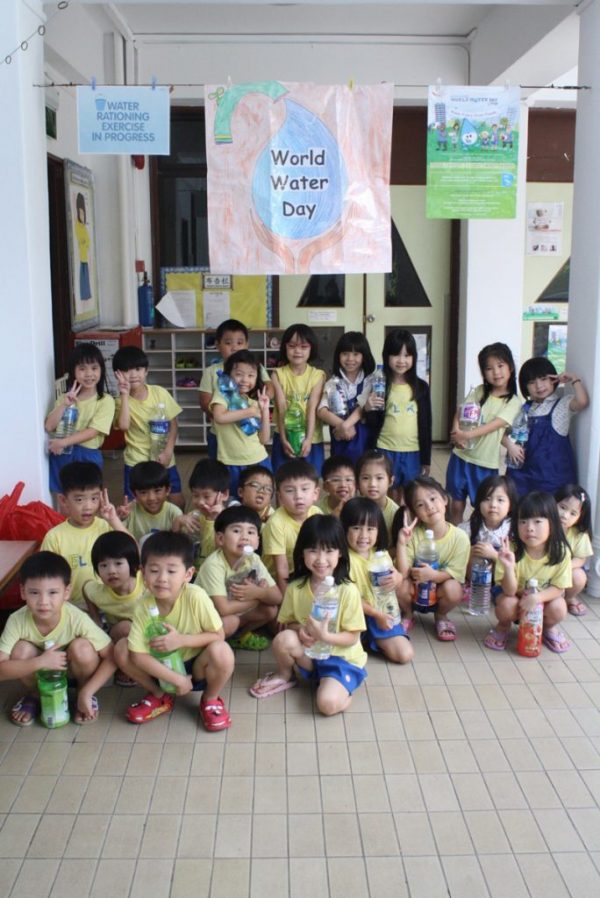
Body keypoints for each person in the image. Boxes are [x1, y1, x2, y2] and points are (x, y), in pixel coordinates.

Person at [115, 532, 234, 730]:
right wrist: (176, 679)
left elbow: (218, 635)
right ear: (143, 573)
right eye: (154, 570)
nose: (162, 578)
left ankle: (210, 699)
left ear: (188, 574)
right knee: (121, 648)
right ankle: (160, 695)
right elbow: (137, 654)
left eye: (171, 571)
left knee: (222, 650)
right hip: (161, 668)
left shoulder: (196, 596)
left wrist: (181, 640)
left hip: (196, 666)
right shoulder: (144, 605)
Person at [249, 515, 367, 715]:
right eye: (313, 550)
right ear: (301, 552)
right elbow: (287, 624)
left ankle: (343, 691)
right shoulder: (296, 587)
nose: (321, 560)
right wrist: (300, 630)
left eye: (329, 551)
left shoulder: (347, 591)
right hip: (312, 655)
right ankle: (285, 675)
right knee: (282, 639)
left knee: (326, 705)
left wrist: (326, 637)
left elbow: (353, 636)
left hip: (341, 659)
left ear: (340, 553)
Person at [0, 551, 116, 726]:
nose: (43, 602)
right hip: (42, 673)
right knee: (21, 650)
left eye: (53, 592)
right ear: (23, 592)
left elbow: (112, 655)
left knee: (82, 647)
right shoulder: (17, 620)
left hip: (74, 670)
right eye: (34, 593)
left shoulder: (76, 618)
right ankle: (36, 695)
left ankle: (83, 694)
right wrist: (41, 662)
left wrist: (88, 691)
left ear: (66, 592)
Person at [484, 491, 572, 653]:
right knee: (506, 604)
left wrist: (537, 598)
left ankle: (547, 628)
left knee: (559, 607)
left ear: (552, 523)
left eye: (537, 521)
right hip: (515, 597)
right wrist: (509, 567)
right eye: (523, 522)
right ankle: (503, 626)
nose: (529, 528)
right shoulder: (511, 549)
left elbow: (560, 588)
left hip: (542, 599)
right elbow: (508, 590)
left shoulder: (561, 551)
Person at [447, 342, 521, 523]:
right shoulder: (480, 392)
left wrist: (467, 435)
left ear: (510, 367)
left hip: (485, 463)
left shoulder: (513, 402)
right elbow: (460, 411)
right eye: (489, 368)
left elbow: (496, 426)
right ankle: (455, 540)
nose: (496, 372)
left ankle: (475, 540)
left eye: (500, 366)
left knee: (483, 506)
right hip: (460, 457)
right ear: (483, 373)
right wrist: (456, 430)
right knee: (454, 504)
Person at [40, 462, 128, 609]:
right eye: (79, 499)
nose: (88, 506)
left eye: (94, 498)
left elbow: (134, 552)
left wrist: (114, 520)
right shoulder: (55, 537)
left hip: (108, 605)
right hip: (73, 608)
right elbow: (45, 578)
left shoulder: (106, 526)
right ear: (63, 500)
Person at [196, 506, 282, 650]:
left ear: (257, 542)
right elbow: (223, 609)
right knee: (231, 621)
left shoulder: (253, 559)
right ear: (220, 539)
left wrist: (260, 593)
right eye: (236, 531)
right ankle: (205, 645)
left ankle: (237, 637)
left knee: (270, 610)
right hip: (206, 618)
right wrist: (257, 597)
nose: (245, 537)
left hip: (234, 610)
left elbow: (277, 597)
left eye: (251, 532)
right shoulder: (214, 564)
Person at [396, 476, 470, 641]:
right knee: (399, 584)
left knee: (454, 589)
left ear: (444, 499)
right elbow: (402, 572)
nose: (429, 507)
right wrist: (401, 543)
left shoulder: (460, 537)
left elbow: (455, 573)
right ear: (415, 513)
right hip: (415, 590)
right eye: (420, 505)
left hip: (440, 591)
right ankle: (407, 614)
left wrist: (433, 576)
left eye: (432, 498)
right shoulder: (413, 535)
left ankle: (441, 616)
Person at [340, 497, 413, 664]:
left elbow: (402, 574)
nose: (364, 535)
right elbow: (350, 599)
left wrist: (398, 575)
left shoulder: (379, 554)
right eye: (356, 528)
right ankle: (364, 639)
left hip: (380, 612)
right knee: (346, 656)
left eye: (370, 528)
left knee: (405, 654)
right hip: (352, 616)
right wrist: (377, 614)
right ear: (344, 528)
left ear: (379, 530)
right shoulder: (341, 559)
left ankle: (369, 639)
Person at [362, 329, 432, 502]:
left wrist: (426, 459)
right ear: (386, 356)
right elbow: (372, 423)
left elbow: (426, 424)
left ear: (414, 358)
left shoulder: (421, 387)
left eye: (407, 355)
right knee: (388, 493)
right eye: (396, 355)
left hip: (412, 451)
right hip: (385, 449)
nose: (402, 361)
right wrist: (368, 408)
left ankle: (405, 525)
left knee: (410, 495)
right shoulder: (379, 384)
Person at [112, 346, 184, 508]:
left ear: (146, 371)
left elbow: (173, 423)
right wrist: (124, 395)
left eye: (138, 369)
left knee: (177, 499)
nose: (133, 375)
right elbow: (123, 425)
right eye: (126, 370)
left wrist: (168, 451)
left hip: (163, 457)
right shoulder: (118, 402)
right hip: (136, 460)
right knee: (131, 504)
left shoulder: (159, 393)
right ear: (117, 374)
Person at [507, 358, 589, 497]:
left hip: (554, 479)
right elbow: (512, 436)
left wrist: (573, 378)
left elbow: (582, 402)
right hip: (524, 478)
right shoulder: (524, 409)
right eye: (532, 382)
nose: (539, 386)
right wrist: (509, 445)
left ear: (553, 379)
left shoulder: (562, 405)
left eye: (544, 379)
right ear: (525, 387)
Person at [45, 342, 115, 495]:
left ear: (101, 370)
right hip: (62, 454)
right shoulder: (64, 398)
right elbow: (49, 426)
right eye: (82, 369)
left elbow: (92, 432)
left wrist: (63, 442)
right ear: (74, 372)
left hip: (87, 455)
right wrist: (64, 404)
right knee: (63, 498)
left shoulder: (105, 401)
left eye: (94, 368)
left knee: (87, 500)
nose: (89, 374)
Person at [198, 318, 272, 461]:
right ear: (217, 345)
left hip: (250, 430)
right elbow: (205, 402)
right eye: (228, 343)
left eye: (240, 342)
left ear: (247, 344)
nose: (234, 347)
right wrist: (232, 414)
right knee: (220, 472)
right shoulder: (211, 371)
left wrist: (257, 405)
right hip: (221, 432)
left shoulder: (256, 367)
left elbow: (269, 389)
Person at [83, 531, 145, 686]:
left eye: (118, 563)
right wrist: (96, 620)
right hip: (119, 637)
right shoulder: (99, 593)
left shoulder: (145, 583)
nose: (111, 570)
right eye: (103, 565)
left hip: (150, 634)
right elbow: (86, 588)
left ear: (132, 564)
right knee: (125, 628)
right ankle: (124, 667)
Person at [210, 349, 272, 494]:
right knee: (234, 502)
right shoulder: (222, 396)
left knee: (259, 502)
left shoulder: (253, 403)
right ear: (228, 375)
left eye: (251, 375)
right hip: (231, 463)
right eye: (239, 374)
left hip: (259, 460)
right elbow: (219, 417)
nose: (245, 380)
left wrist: (264, 411)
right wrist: (250, 412)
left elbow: (264, 439)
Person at [271, 323, 326, 474]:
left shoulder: (317, 375)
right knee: (283, 479)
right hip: (285, 436)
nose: (297, 351)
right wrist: (283, 439)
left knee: (310, 480)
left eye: (303, 346)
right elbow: (281, 408)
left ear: (311, 348)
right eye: (292, 346)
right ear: (285, 347)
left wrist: (308, 439)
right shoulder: (277, 374)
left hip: (312, 438)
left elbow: (311, 409)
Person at [262, 459, 322, 595]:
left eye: (305, 489)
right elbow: (281, 568)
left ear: (316, 493)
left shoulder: (317, 513)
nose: (298, 496)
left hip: (304, 574)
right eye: (290, 490)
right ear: (280, 497)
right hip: (276, 581)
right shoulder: (276, 523)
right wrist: (287, 601)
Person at [317, 331, 377, 465]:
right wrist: (341, 426)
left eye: (356, 354)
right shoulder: (333, 382)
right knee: (342, 473)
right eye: (345, 354)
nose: (350, 359)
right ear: (338, 356)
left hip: (365, 442)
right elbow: (322, 411)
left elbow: (363, 407)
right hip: (341, 444)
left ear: (364, 356)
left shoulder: (371, 381)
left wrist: (346, 425)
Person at [463, 474, 518, 602]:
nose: (493, 505)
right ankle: (472, 586)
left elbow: (518, 564)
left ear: (511, 504)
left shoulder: (514, 530)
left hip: (503, 580)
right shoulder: (469, 528)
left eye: (500, 500)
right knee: (472, 550)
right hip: (476, 579)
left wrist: (495, 555)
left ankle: (496, 591)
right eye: (487, 499)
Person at [175, 459, 232, 567]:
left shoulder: (232, 520)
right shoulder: (193, 517)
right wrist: (177, 523)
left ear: (224, 494)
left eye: (206, 496)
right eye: (196, 495)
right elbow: (175, 550)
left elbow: (210, 554)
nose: (200, 502)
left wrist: (210, 520)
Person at [118, 461, 182, 541]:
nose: (151, 498)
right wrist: (119, 519)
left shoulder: (174, 513)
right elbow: (118, 538)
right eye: (143, 492)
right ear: (134, 494)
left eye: (157, 491)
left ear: (167, 490)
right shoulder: (129, 512)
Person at [555, 483, 593, 617]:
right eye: (562, 507)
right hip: (543, 570)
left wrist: (565, 566)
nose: (565, 515)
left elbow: (581, 559)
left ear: (580, 517)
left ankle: (569, 598)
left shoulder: (579, 534)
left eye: (573, 513)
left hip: (565, 571)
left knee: (579, 576)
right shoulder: (543, 525)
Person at [355, 450, 399, 546]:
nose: (372, 484)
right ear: (357, 483)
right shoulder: (352, 509)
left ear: (391, 481)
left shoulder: (395, 513)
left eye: (379, 478)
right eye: (366, 478)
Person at [75, 192, 92, 301]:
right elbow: (82, 240)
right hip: (82, 256)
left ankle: (86, 294)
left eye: (83, 213)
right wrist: (84, 243)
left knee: (86, 277)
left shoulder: (83, 227)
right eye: (80, 213)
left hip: (85, 255)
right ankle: (84, 295)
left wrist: (85, 243)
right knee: (83, 277)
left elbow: (88, 241)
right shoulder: (78, 226)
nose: (82, 215)